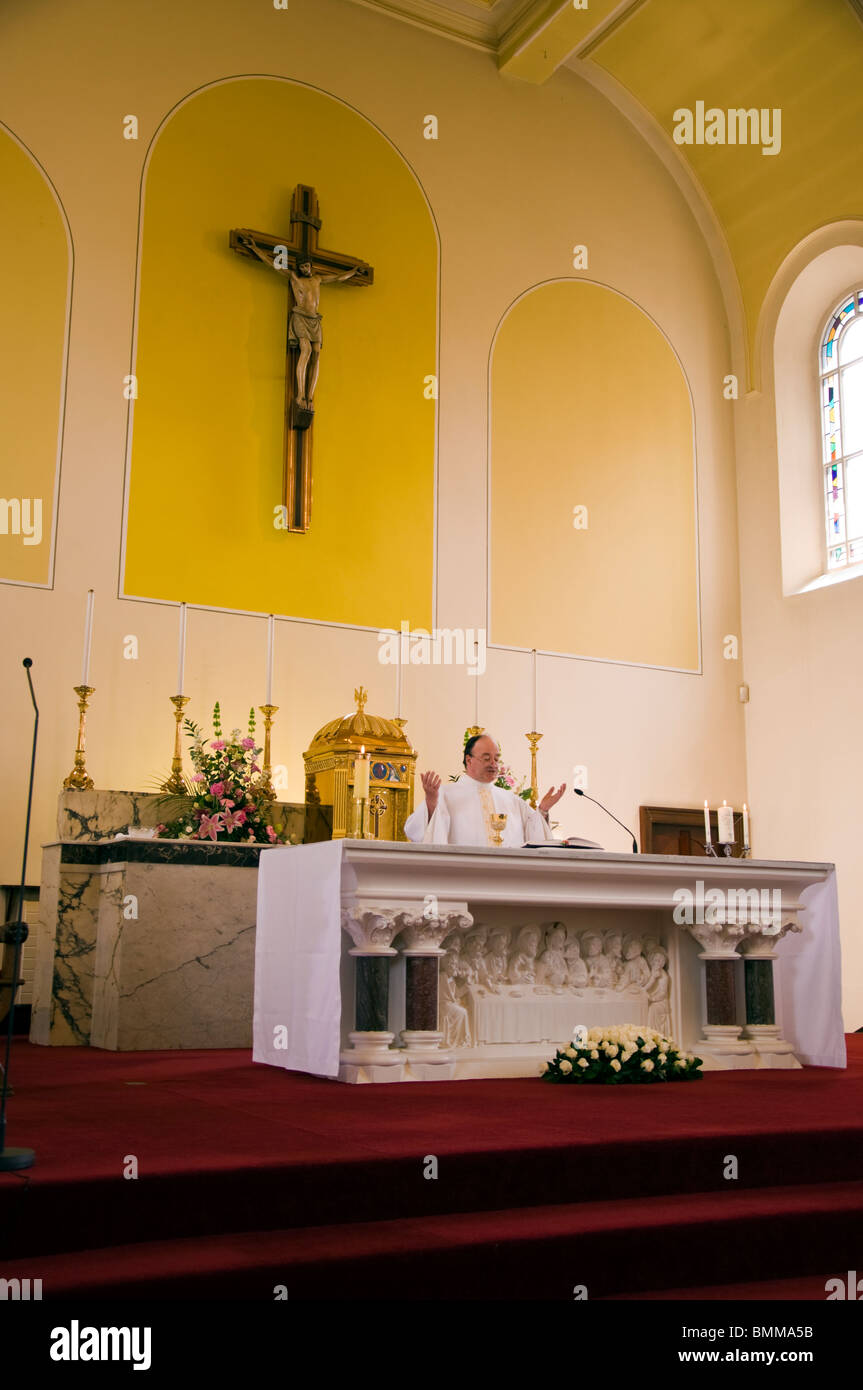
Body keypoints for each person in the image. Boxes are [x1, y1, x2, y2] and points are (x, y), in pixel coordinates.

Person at [403, 733, 565, 847]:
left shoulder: (512, 800)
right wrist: (431, 803)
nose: (493, 764)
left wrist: (543, 810)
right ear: (469, 760)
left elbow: (534, 836)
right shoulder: (445, 795)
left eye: (496, 759)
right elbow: (416, 833)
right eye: (486, 758)